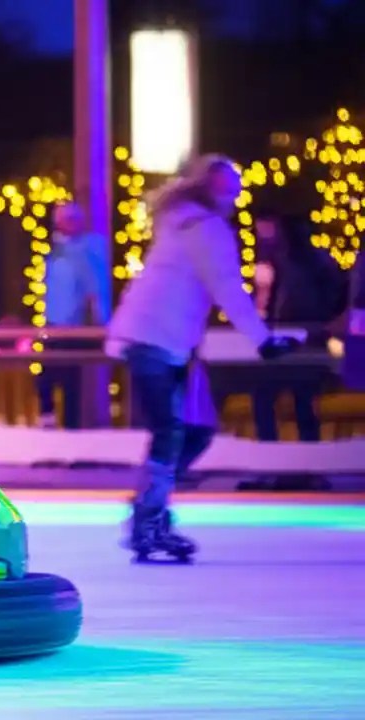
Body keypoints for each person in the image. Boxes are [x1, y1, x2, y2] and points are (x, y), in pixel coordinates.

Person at [107, 154, 299, 559]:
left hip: (163, 341)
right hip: (155, 339)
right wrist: (263, 340)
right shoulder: (204, 227)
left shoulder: (179, 221)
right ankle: (149, 521)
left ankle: (150, 512)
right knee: (174, 430)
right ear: (209, 188)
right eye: (227, 188)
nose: (233, 196)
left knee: (192, 431)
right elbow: (227, 287)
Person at [249, 214, 346, 442]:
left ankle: (283, 463)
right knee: (292, 401)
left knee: (281, 399)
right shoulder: (282, 260)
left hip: (296, 337)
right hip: (294, 336)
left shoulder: (295, 262)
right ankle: (298, 465)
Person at [38, 202, 111, 429]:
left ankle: (72, 426)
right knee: (48, 373)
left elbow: (95, 287)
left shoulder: (88, 250)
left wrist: (99, 320)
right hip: (54, 323)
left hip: (77, 324)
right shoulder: (57, 250)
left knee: (72, 379)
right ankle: (49, 417)